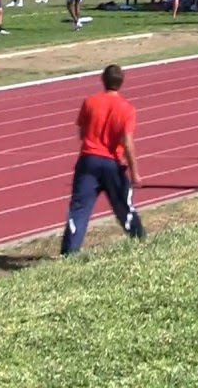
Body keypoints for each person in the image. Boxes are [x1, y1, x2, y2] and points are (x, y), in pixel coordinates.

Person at [59, 64, 146, 256]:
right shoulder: (126, 109)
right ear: (122, 82)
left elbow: (82, 132)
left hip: (88, 160)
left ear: (102, 79)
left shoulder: (90, 102)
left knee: (79, 209)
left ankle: (69, 252)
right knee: (124, 206)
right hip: (111, 164)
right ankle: (140, 240)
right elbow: (128, 142)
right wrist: (134, 172)